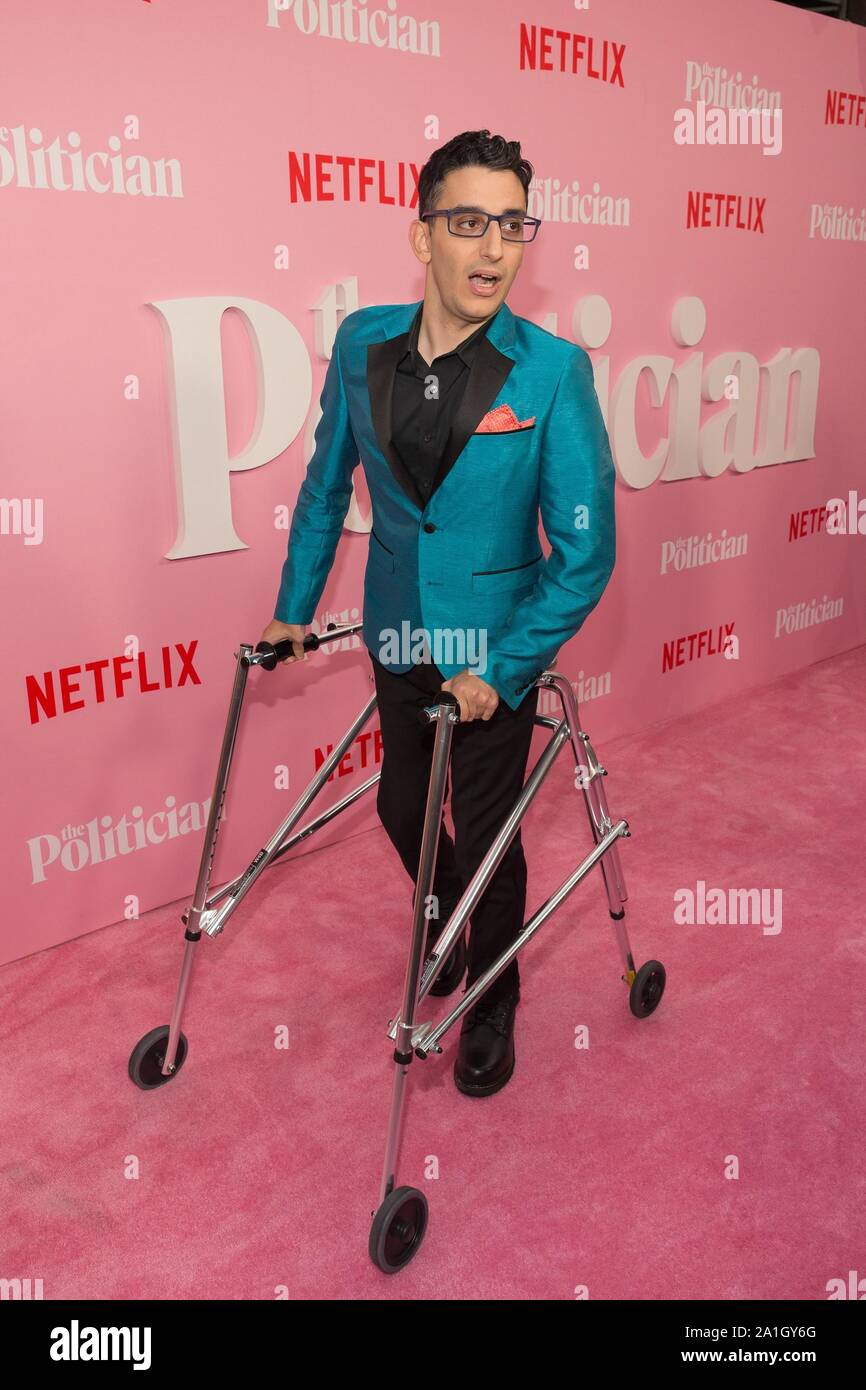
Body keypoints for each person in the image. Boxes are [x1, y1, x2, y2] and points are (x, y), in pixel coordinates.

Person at [261, 129, 616, 1097]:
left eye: (512, 225)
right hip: (396, 631)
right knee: (397, 805)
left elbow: (585, 555)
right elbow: (327, 487)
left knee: (489, 828)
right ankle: (450, 920)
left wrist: (501, 671)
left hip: (494, 652)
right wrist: (294, 610)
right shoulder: (359, 342)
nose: (494, 249)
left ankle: (492, 997)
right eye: (468, 222)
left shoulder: (551, 373)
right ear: (423, 238)